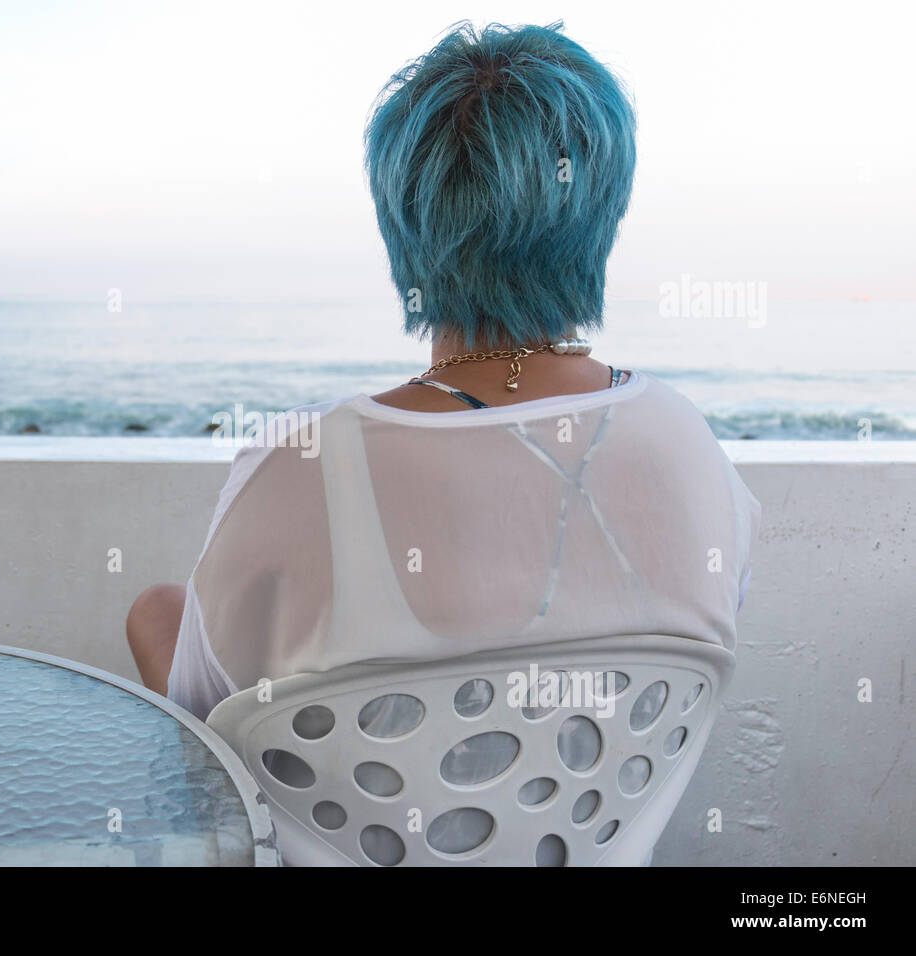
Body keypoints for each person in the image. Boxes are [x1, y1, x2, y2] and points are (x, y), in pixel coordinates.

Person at [127, 21, 761, 721]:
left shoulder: (300, 466)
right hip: (609, 833)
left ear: (402, 218)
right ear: (604, 213)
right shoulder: (692, 449)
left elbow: (204, 726)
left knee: (155, 612)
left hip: (339, 836)